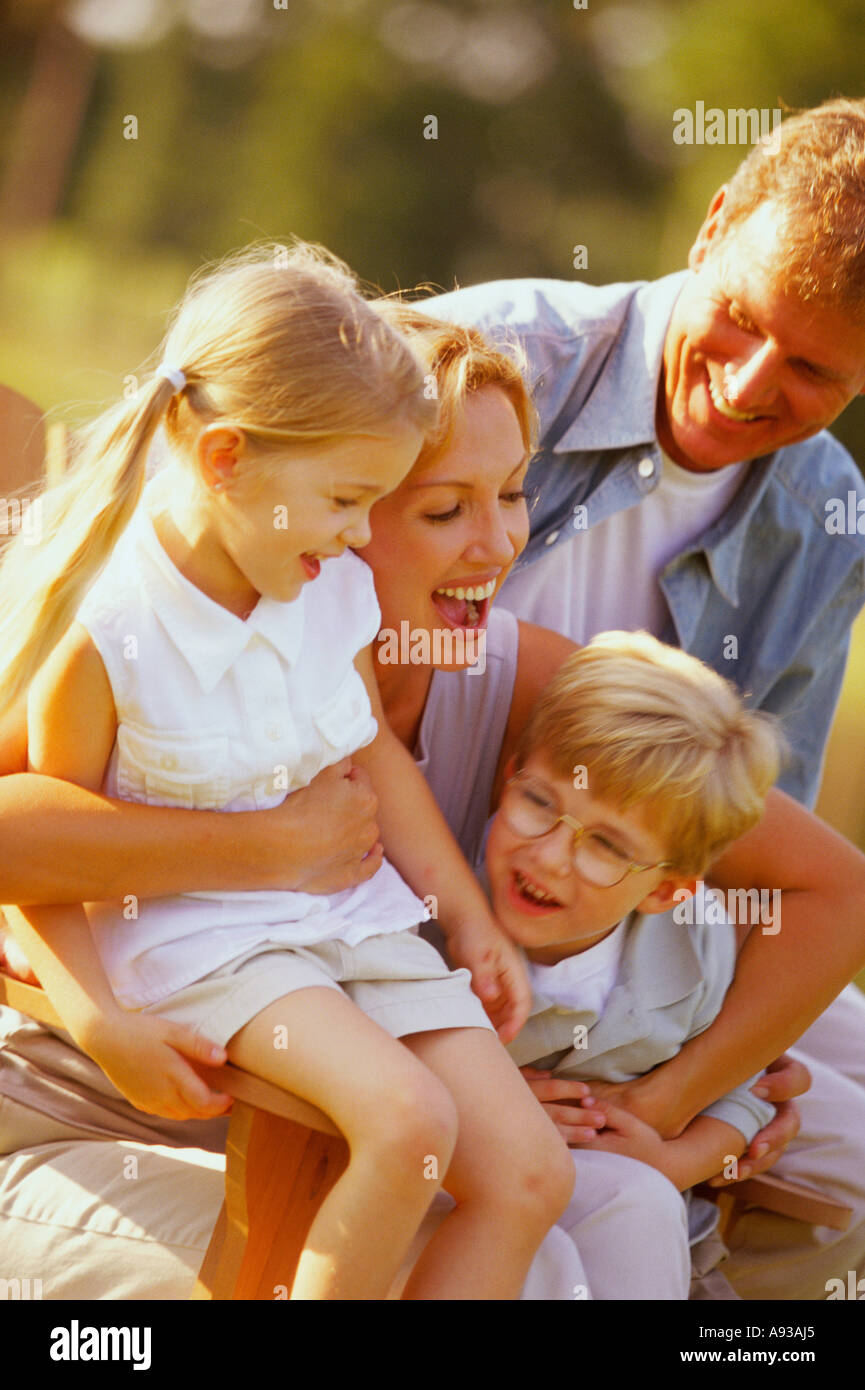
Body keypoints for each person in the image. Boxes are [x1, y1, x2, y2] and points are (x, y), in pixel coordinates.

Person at [2, 303, 865, 1300]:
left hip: (356, 1098)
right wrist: (272, 849)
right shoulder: (148, 642)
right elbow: (32, 846)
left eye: (511, 495)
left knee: (731, 1174)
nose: (497, 545)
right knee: (531, 1249)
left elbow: (822, 883)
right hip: (111, 1116)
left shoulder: (511, 674)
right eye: (442, 508)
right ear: (331, 501)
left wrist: (675, 1100)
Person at [0, 242, 577, 1301]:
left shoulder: (327, 587)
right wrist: (99, 1021)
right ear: (225, 460)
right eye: (348, 500)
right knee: (408, 1128)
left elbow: (368, 759)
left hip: (350, 920)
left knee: (532, 1173)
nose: (361, 535)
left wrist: (468, 916)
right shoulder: (111, 633)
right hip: (206, 942)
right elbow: (35, 853)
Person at [424, 98, 865, 1200]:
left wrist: (692, 1092)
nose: (754, 382)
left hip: (623, 915)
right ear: (711, 227)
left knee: (840, 1147)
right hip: (423, 870)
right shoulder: (491, 364)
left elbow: (757, 855)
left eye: (816, 374)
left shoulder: (826, 515)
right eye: (743, 317)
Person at [485, 630, 784, 1294]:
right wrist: (479, 1095)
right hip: (449, 1172)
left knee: (640, 1200)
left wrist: (678, 1158)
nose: (549, 857)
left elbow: (742, 1086)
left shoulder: (693, 946)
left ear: (665, 889)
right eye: (538, 803)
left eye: (606, 846)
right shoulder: (438, 911)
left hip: (597, 1182)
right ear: (509, 774)